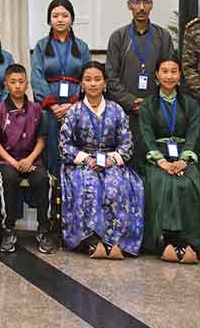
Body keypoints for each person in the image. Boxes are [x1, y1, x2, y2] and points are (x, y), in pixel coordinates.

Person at [58, 61, 144, 259]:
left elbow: (126, 144)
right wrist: (86, 160)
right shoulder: (74, 111)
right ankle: (91, 240)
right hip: (81, 163)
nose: (93, 84)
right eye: (88, 80)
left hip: (111, 161)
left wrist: (111, 160)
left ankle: (115, 241)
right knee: (88, 183)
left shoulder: (116, 110)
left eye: (97, 79)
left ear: (105, 83)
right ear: (81, 84)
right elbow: (65, 145)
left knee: (117, 184)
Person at [137, 56, 200, 263]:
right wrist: (162, 162)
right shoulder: (148, 105)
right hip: (157, 158)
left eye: (174, 71)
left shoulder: (190, 104)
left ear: (180, 76)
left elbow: (195, 133)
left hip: (184, 156)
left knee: (188, 182)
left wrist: (184, 160)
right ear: (157, 76)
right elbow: (146, 135)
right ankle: (165, 240)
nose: (169, 76)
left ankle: (189, 240)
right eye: (165, 71)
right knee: (162, 181)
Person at [0, 64, 55, 255]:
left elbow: (42, 140)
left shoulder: (37, 109)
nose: (17, 86)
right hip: (7, 161)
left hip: (31, 160)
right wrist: (12, 161)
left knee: (42, 179)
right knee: (9, 179)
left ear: (27, 84)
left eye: (21, 81)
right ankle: (8, 229)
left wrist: (30, 159)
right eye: (13, 82)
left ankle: (43, 229)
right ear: (6, 85)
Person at [104, 0, 176, 137]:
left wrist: (151, 103)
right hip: (123, 110)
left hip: (157, 109)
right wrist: (131, 102)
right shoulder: (118, 37)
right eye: (136, 2)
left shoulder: (163, 36)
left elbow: (170, 75)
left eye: (146, 2)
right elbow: (111, 76)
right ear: (129, 5)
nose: (141, 7)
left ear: (151, 5)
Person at [31, 0, 92, 169]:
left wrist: (72, 103)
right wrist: (53, 105)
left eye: (64, 15)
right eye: (55, 15)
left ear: (71, 18)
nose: (60, 19)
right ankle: (53, 188)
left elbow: (89, 76)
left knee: (76, 145)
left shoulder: (82, 47)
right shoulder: (41, 46)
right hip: (49, 109)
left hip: (76, 107)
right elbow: (36, 76)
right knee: (50, 146)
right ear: (49, 20)